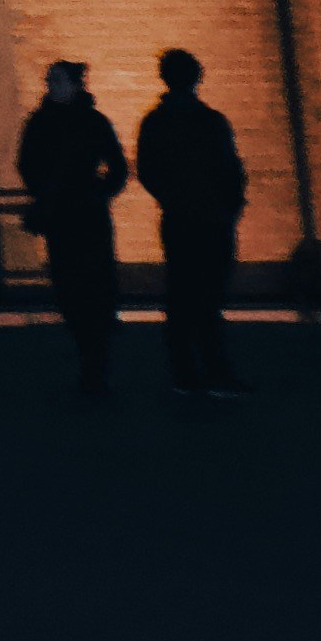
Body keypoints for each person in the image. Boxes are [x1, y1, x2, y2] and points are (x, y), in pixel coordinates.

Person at [135, 47, 251, 396]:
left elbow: (147, 171)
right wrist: (231, 206)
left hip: (181, 217)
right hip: (211, 217)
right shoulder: (211, 120)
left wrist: (171, 197)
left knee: (183, 293)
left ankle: (185, 371)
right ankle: (213, 370)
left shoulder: (156, 122)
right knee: (208, 296)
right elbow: (231, 169)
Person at [15, 58, 131, 398]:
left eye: (57, 79)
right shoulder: (44, 122)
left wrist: (98, 192)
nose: (50, 84)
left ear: (75, 84)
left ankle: (95, 360)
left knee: (93, 284)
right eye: (49, 79)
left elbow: (118, 166)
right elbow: (26, 164)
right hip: (64, 215)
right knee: (69, 285)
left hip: (86, 214)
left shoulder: (89, 122)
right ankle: (90, 352)